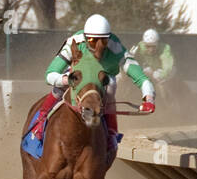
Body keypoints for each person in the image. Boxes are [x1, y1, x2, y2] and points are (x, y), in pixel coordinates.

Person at [30, 14, 154, 163]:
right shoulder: (74, 42)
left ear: (109, 38)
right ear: (85, 37)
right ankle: (40, 121)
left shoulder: (116, 48)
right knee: (58, 89)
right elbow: (49, 75)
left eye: (103, 40)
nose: (98, 46)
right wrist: (67, 79)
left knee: (111, 87)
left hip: (101, 79)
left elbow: (141, 78)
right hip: (78, 75)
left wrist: (149, 98)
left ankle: (111, 134)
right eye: (93, 40)